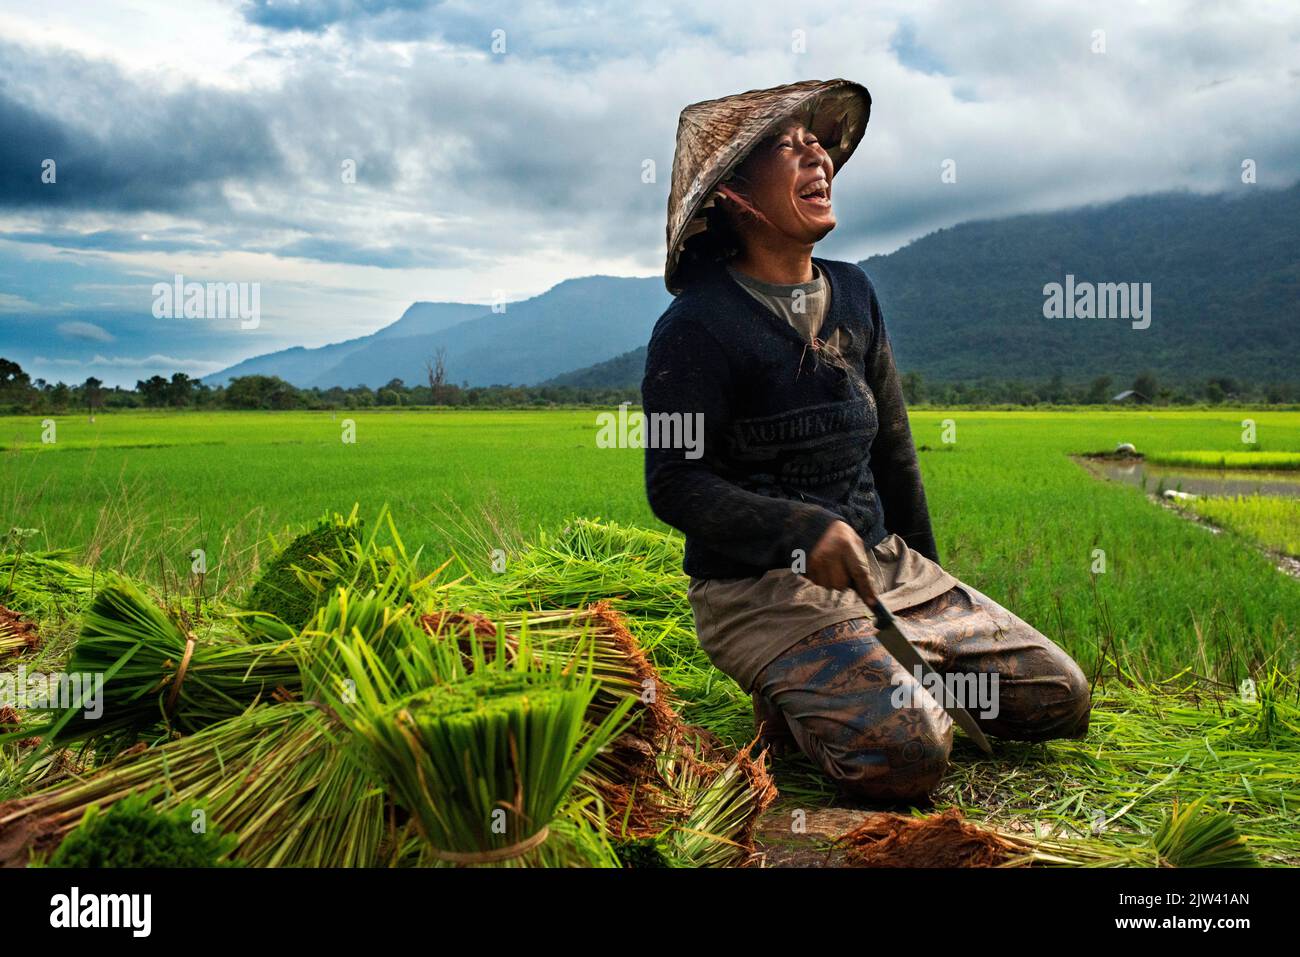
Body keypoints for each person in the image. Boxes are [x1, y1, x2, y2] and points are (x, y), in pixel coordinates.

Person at [642, 79, 1091, 803]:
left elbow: (895, 455)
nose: (817, 154)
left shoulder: (856, 293)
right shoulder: (693, 329)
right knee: (911, 753)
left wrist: (940, 607)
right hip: (764, 591)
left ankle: (886, 671)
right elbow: (673, 483)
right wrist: (802, 528)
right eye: (789, 147)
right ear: (734, 195)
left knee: (1059, 697)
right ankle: (794, 703)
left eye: (817, 141)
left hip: (886, 570)